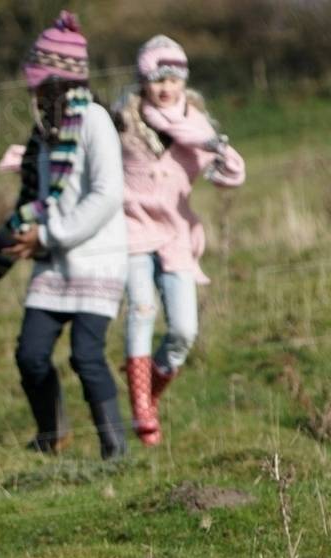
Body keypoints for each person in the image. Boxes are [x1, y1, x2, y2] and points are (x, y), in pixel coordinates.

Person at [0, 11, 129, 459]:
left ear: (55, 79)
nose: (32, 89)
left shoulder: (95, 120)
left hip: (97, 259)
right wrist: (18, 238)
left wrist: (48, 235)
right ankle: (51, 433)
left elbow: (106, 195)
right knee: (31, 355)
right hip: (53, 265)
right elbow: (42, 195)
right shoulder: (44, 132)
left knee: (86, 357)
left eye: (38, 78)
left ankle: (114, 447)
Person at [115, 35, 246, 445]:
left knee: (184, 331)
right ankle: (140, 409)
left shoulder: (199, 127)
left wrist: (218, 152)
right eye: (156, 79)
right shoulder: (124, 122)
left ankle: (148, 385)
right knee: (141, 309)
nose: (165, 87)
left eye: (172, 78)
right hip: (131, 231)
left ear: (183, 81)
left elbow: (228, 176)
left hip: (176, 236)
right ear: (143, 82)